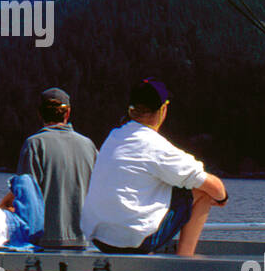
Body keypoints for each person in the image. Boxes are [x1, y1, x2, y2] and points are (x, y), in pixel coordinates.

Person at [80, 77, 227, 257]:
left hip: (100, 238)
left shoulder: (114, 137)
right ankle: (186, 259)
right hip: (134, 242)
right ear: (163, 110)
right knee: (203, 192)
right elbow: (215, 187)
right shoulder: (155, 146)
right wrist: (221, 198)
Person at [0, 87, 96, 250]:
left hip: (45, 242)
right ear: (67, 113)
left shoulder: (34, 144)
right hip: (84, 241)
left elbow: (27, 197)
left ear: (40, 114)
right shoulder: (89, 146)